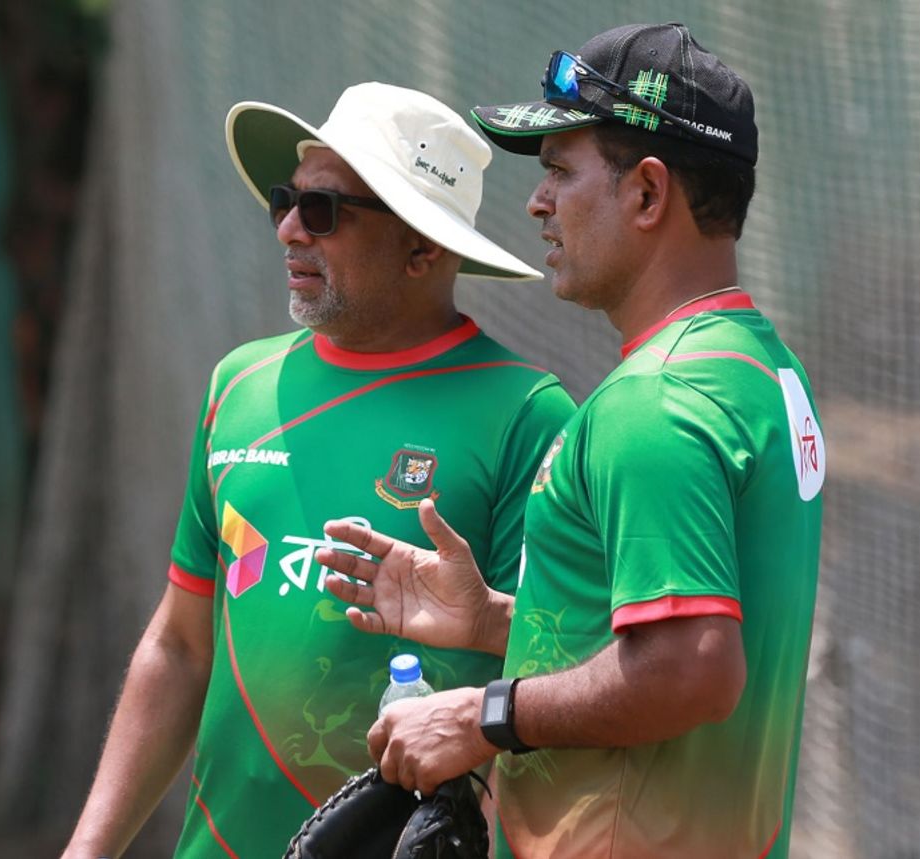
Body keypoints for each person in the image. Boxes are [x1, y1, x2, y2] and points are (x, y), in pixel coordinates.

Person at [317, 23, 826, 859]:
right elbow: (683, 630)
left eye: (558, 170)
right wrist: (503, 623)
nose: (536, 201)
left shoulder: (657, 401)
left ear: (648, 194)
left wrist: (482, 714)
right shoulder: (760, 370)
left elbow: (694, 666)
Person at [61, 82, 576, 858]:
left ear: (422, 246)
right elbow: (179, 645)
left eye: (325, 210)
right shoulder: (237, 386)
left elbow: (557, 683)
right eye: (285, 201)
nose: (290, 231)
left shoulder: (527, 415)